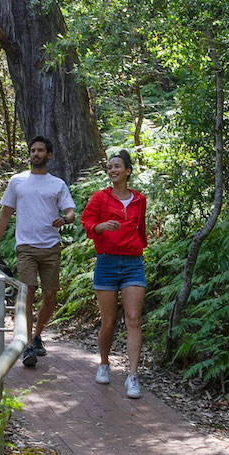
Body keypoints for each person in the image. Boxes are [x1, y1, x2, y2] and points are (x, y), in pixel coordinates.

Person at [0, 135, 74, 368]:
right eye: (33, 150)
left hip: (51, 247)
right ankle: (26, 345)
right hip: (25, 246)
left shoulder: (57, 184)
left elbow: (70, 212)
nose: (35, 154)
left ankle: (37, 335)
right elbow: (5, 214)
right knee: (28, 292)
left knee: (50, 297)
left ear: (49, 155)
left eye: (40, 151)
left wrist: (63, 220)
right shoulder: (17, 181)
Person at [80, 149, 147, 398]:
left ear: (128, 171)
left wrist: (137, 248)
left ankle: (132, 376)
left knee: (133, 319)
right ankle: (104, 363)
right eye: (110, 167)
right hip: (106, 264)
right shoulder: (99, 198)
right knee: (108, 322)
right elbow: (86, 222)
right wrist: (101, 226)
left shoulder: (139, 199)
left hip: (133, 264)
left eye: (117, 166)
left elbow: (141, 230)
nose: (113, 170)